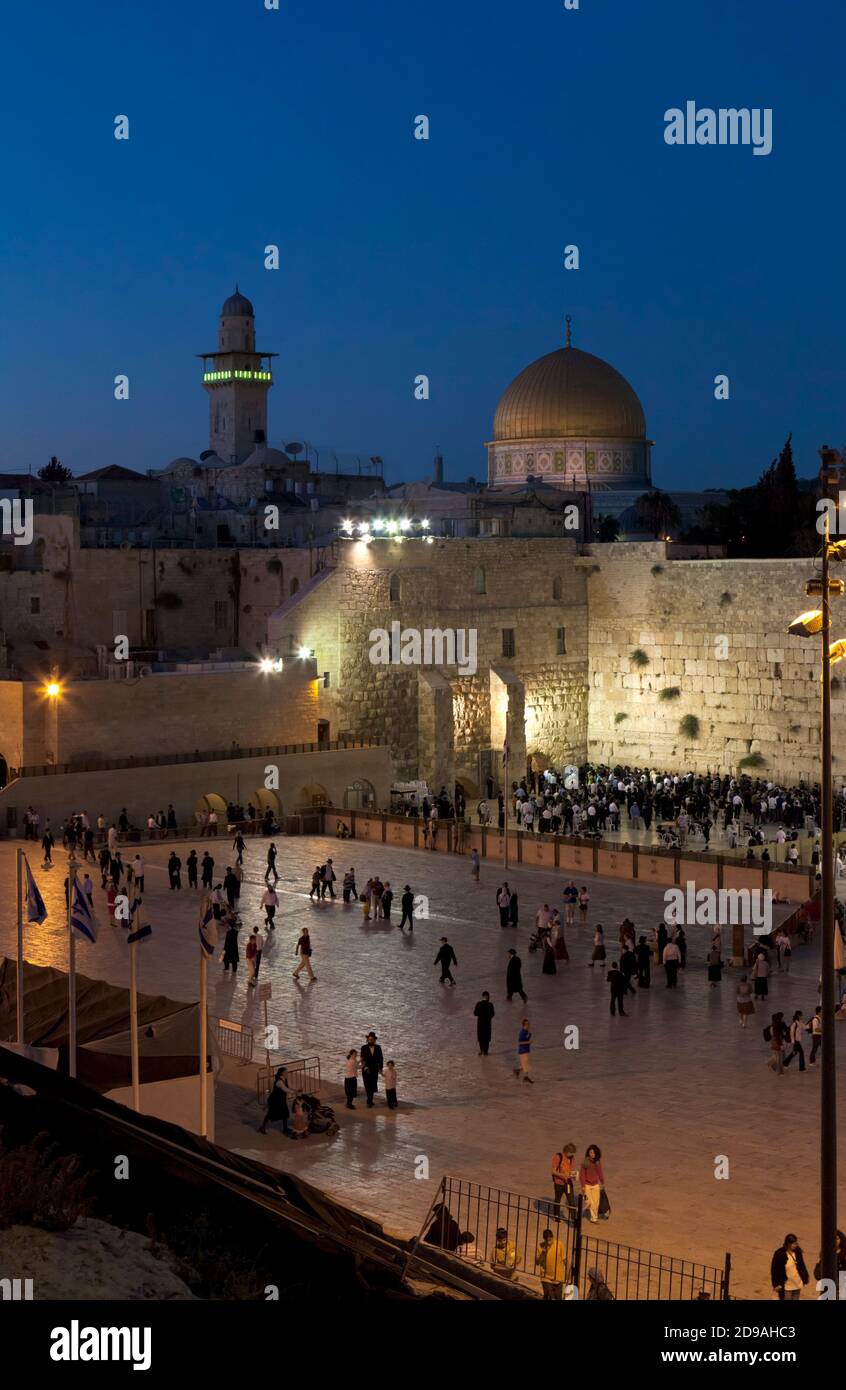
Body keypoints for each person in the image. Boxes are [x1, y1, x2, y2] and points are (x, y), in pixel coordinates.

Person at [770, 1234, 809, 1300]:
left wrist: (805, 1279)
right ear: (788, 1244)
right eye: (793, 1244)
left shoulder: (797, 1252)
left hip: (797, 1283)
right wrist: (776, 1284)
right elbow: (774, 1270)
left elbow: (802, 1266)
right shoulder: (779, 1253)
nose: (795, 1245)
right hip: (786, 1286)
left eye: (796, 1243)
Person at [258, 1066, 291, 1136]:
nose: (287, 1073)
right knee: (270, 1114)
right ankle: (262, 1127)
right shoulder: (279, 1081)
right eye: (286, 1072)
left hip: (281, 1100)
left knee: (285, 1114)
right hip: (275, 1100)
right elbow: (285, 1089)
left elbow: (287, 1089)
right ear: (282, 1073)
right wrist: (295, 1092)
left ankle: (285, 1129)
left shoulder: (285, 1079)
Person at [535, 1228, 567, 1300]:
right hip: (546, 1277)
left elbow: (565, 1260)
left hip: (558, 1277)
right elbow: (537, 1262)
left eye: (551, 1239)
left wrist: (567, 1276)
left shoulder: (559, 1244)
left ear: (553, 1237)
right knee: (549, 1297)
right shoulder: (541, 1247)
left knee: (558, 1297)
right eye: (547, 1240)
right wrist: (543, 1253)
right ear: (544, 1239)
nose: (549, 1242)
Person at [579, 1144, 605, 1224]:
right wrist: (583, 1186)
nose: (592, 1154)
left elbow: (600, 1172)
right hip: (586, 1185)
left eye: (594, 1153)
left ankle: (594, 1218)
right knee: (587, 1202)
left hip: (596, 1185)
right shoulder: (585, 1162)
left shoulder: (597, 1162)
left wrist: (602, 1182)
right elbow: (582, 1175)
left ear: (596, 1153)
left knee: (596, 1202)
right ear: (588, 1153)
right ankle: (581, 1213)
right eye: (591, 1152)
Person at [552, 1143, 577, 1218]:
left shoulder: (572, 1158)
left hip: (568, 1184)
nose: (572, 1155)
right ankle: (556, 1215)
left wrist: (574, 1176)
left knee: (572, 1202)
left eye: (573, 1153)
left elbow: (572, 1170)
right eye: (571, 1153)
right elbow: (553, 1171)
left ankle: (574, 1219)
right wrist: (563, 1176)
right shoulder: (558, 1157)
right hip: (559, 1183)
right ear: (566, 1151)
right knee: (557, 1200)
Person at [360, 1032, 383, 1107]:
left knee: (373, 1085)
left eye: (372, 1039)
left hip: (374, 1069)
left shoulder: (378, 1047)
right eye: (369, 1039)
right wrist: (365, 1067)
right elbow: (362, 1059)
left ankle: (370, 1100)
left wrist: (380, 1068)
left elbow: (381, 1058)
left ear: (374, 1040)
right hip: (366, 1069)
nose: (370, 1041)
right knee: (367, 1085)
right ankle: (369, 1100)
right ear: (367, 1040)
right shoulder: (363, 1047)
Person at [514, 1018, 533, 1082]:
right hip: (522, 1051)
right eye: (527, 1024)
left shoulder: (527, 1032)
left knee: (525, 1064)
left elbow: (527, 1038)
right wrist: (528, 1042)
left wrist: (529, 1035)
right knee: (526, 1064)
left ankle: (517, 1071)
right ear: (524, 1025)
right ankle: (526, 1077)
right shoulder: (522, 1032)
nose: (529, 1025)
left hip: (526, 1050)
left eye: (529, 1024)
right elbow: (520, 1042)